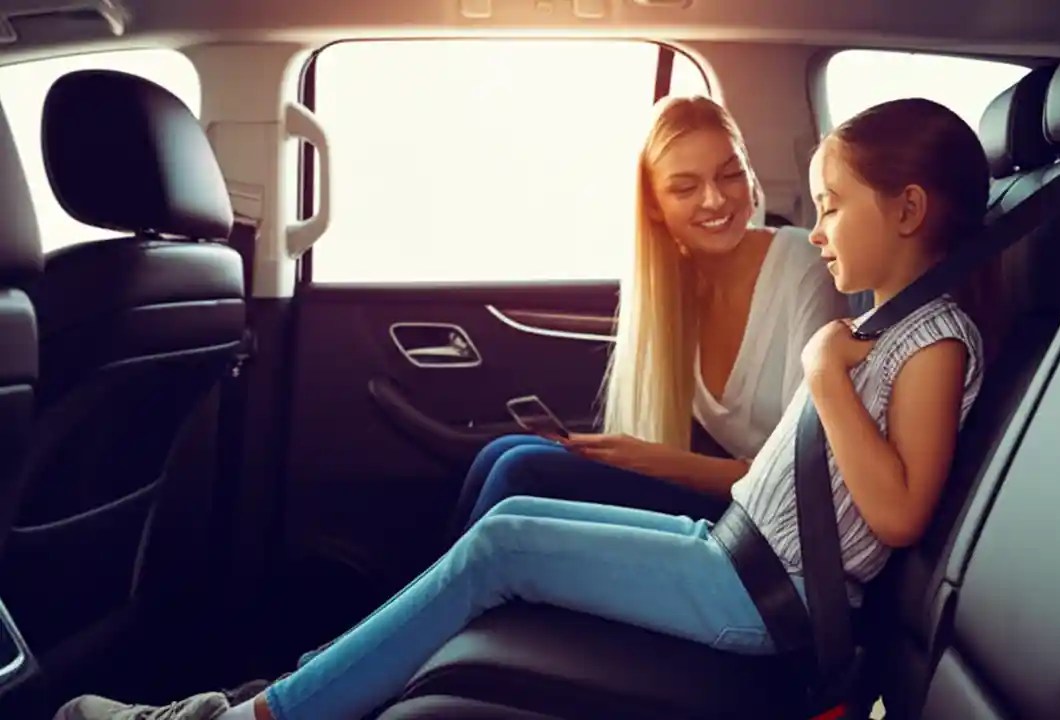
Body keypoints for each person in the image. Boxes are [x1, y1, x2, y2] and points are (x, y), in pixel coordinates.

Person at [56, 97, 989, 720]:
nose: (812, 226)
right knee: (511, 510)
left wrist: (824, 374)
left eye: (831, 207)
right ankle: (311, 687)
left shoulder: (930, 339)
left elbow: (901, 511)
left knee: (504, 547)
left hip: (765, 594)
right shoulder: (881, 323)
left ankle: (255, 715)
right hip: (734, 554)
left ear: (906, 212)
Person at [446, 94, 848, 538]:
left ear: (750, 178)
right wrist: (638, 458)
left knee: (522, 471)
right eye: (685, 187)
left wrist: (650, 460)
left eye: (730, 175)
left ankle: (451, 606)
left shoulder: (803, 265)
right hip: (734, 497)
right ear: (654, 205)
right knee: (500, 453)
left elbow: (801, 469)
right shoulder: (673, 291)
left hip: (778, 520)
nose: (715, 200)